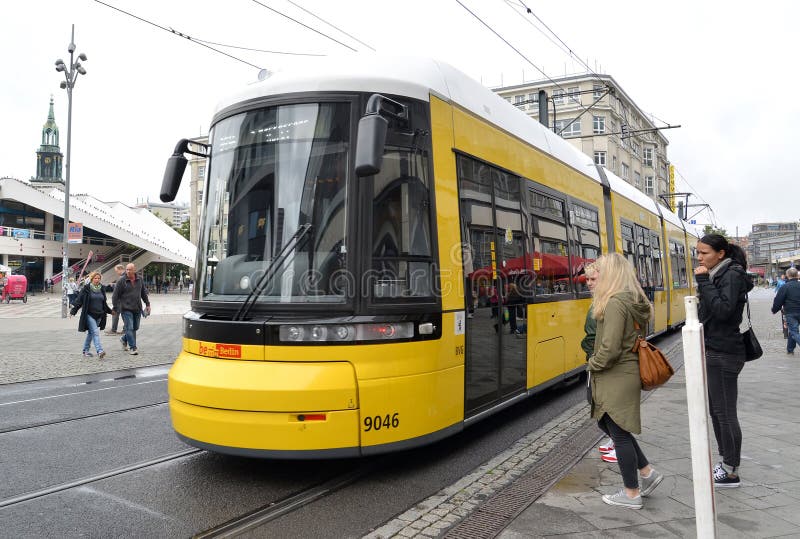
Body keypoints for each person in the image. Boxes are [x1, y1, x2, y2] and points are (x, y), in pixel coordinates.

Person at [588, 253, 663, 509]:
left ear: (611, 274)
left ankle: (632, 493)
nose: (594, 277)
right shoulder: (633, 299)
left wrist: (592, 364)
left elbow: (609, 348)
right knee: (612, 426)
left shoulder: (615, 303)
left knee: (618, 432)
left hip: (616, 373)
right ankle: (646, 473)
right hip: (627, 371)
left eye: (600, 271)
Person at [694, 233, 753, 488]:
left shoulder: (730, 274)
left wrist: (703, 282)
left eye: (704, 252)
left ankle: (731, 470)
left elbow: (723, 310)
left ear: (721, 253)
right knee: (717, 411)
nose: (699, 257)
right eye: (698, 252)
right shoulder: (721, 272)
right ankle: (726, 461)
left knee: (724, 412)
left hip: (724, 352)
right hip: (716, 349)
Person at [581, 263, 618, 463]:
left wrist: (593, 359)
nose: (588, 283)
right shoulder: (601, 301)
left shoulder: (604, 304)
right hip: (600, 361)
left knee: (601, 404)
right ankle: (615, 441)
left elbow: (595, 337)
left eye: (593, 279)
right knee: (601, 404)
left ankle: (620, 445)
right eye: (587, 279)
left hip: (600, 363)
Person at [69, 271, 112, 359]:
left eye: (99, 278)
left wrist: (111, 311)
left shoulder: (102, 289)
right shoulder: (86, 289)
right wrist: (73, 311)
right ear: (92, 279)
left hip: (99, 315)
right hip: (89, 315)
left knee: (91, 334)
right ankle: (100, 351)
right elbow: (79, 300)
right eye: (95, 278)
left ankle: (85, 350)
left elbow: (104, 303)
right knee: (95, 332)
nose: (97, 280)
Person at [112, 263, 151, 356]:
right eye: (127, 269)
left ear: (134, 270)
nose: (128, 271)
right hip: (125, 309)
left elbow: (143, 293)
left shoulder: (140, 279)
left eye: (130, 269)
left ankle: (123, 339)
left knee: (135, 327)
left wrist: (148, 304)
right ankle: (133, 347)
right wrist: (115, 307)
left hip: (137, 308)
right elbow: (115, 296)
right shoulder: (122, 280)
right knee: (129, 328)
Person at [772, 266, 800, 354]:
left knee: (793, 331)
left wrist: (774, 309)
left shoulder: (785, 287)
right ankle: (790, 349)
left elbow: (778, 299)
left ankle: (790, 349)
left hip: (791, 312)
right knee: (793, 331)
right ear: (797, 275)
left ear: (787, 275)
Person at [105, 264, 126, 336]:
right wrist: (114, 284)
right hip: (125, 300)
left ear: (120, 269)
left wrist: (114, 304)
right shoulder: (126, 276)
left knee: (115, 313)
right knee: (124, 314)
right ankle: (125, 329)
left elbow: (117, 291)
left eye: (117, 271)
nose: (116, 272)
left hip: (120, 300)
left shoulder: (122, 277)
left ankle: (114, 330)